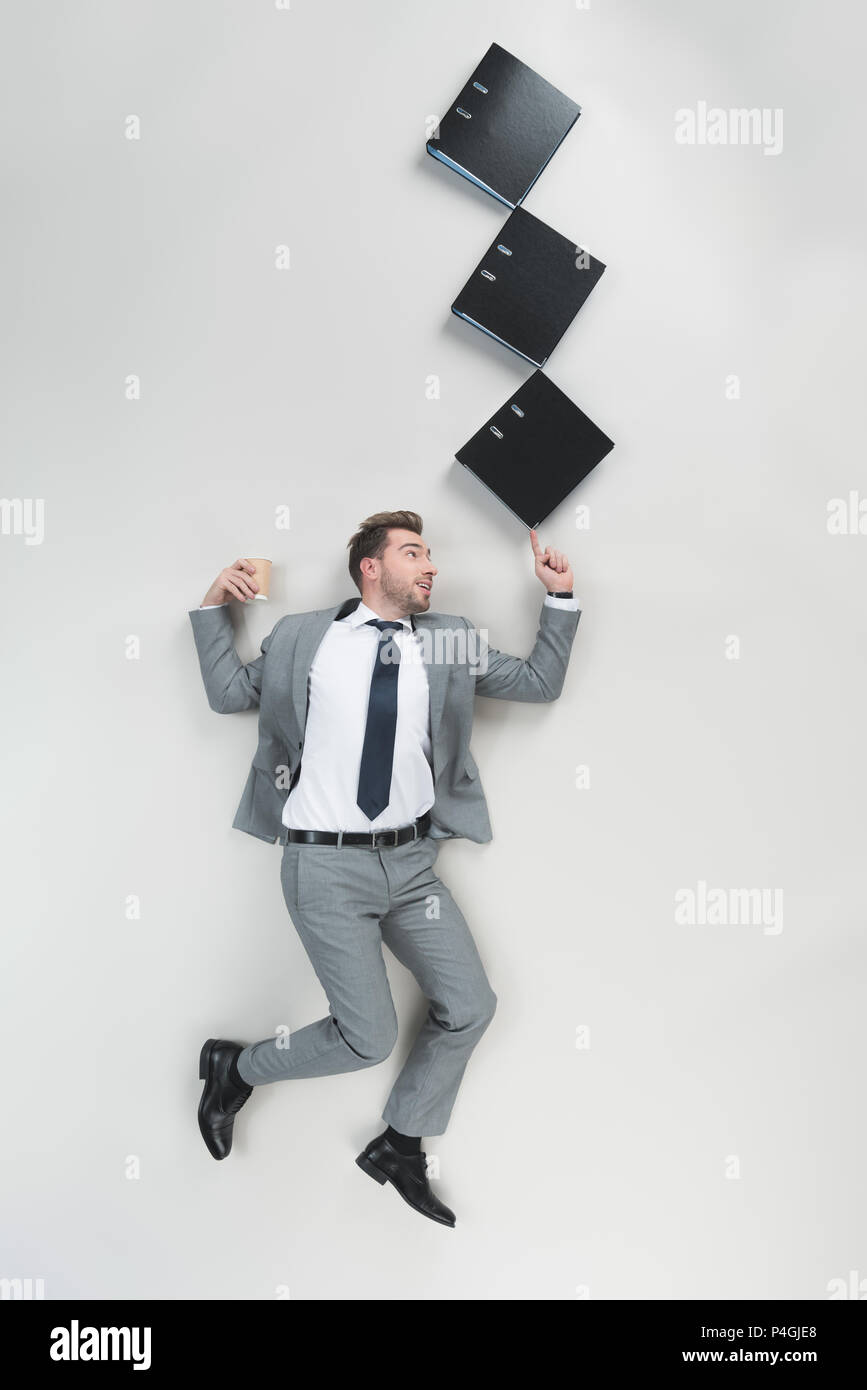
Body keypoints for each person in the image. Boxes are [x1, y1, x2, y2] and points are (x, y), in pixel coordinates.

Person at [189, 510, 580, 1226]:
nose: (430, 566)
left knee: (470, 1005)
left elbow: (536, 683)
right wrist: (215, 604)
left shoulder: (449, 637)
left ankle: (400, 1142)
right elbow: (226, 696)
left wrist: (558, 598)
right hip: (323, 867)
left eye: (430, 554)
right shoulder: (303, 636)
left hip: (410, 866)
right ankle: (235, 1069)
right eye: (413, 553)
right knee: (366, 1038)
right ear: (370, 567)